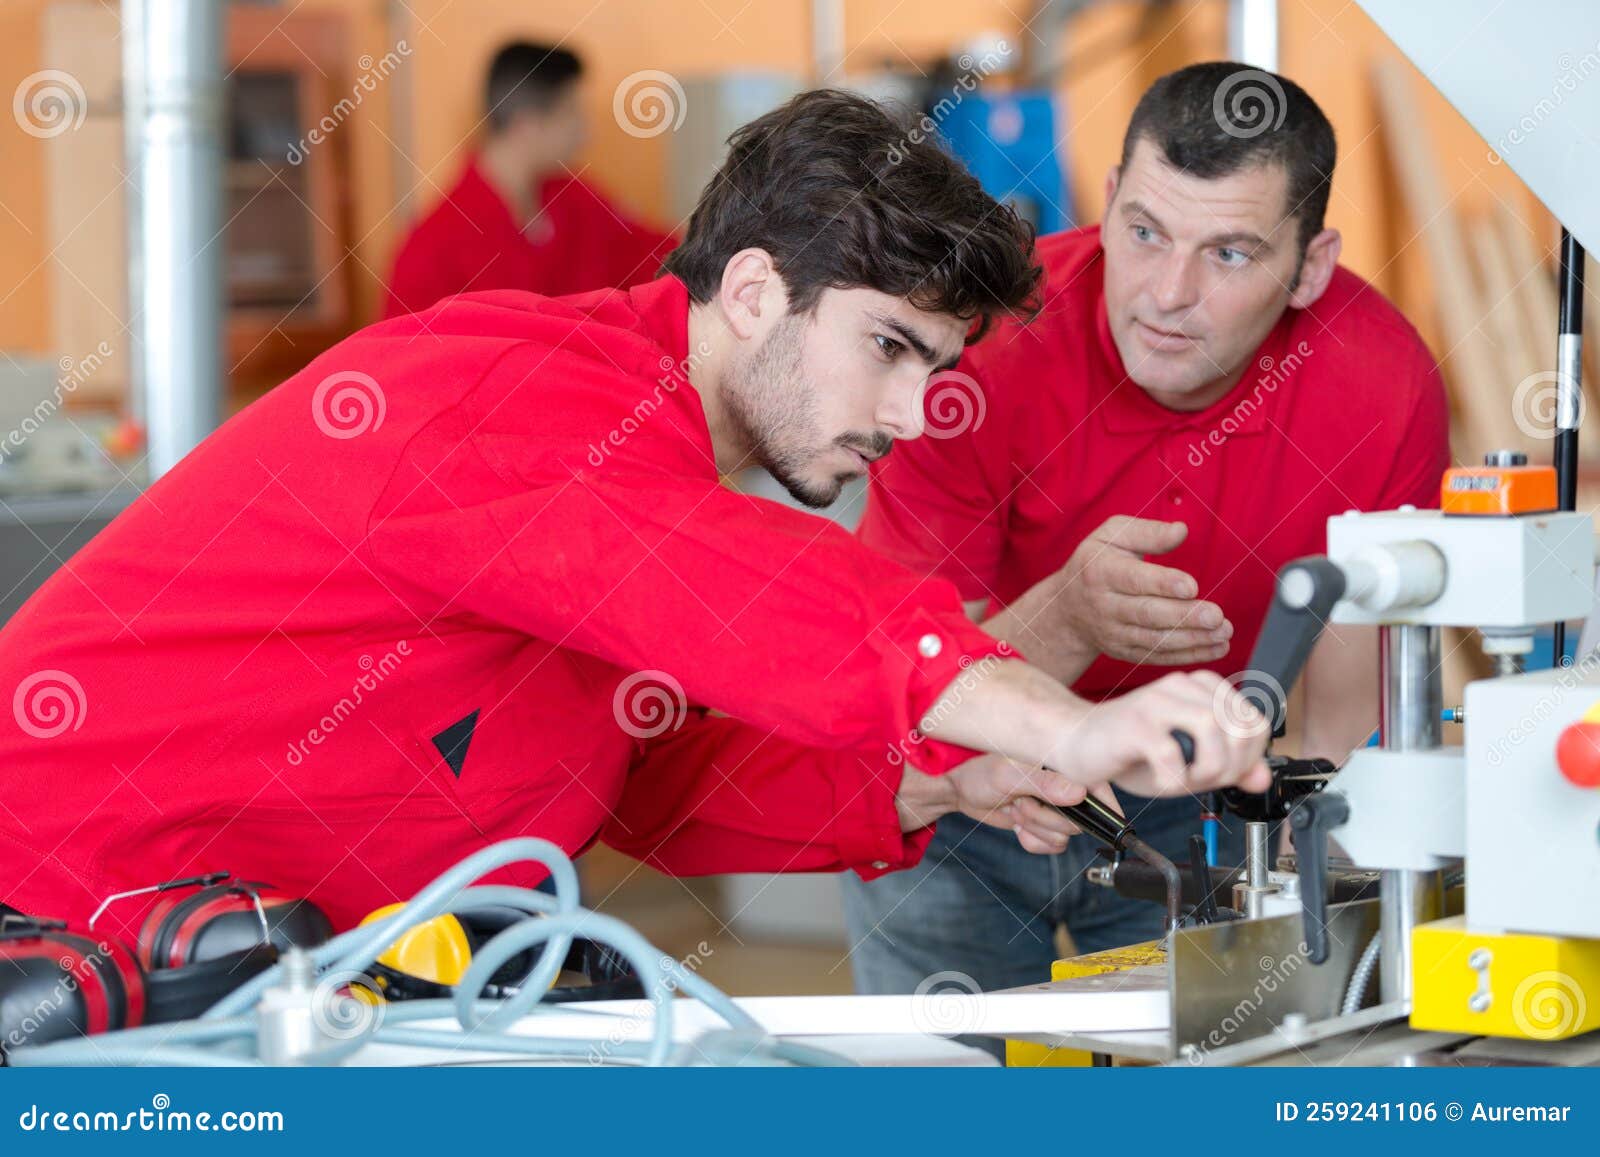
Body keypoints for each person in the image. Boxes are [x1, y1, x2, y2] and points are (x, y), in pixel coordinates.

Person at [0, 90, 1270, 940]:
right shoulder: (521, 394)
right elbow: (721, 582)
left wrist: (936, 782)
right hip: (57, 932)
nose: (912, 410)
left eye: (935, 367)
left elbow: (646, 778)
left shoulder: (644, 459)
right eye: (888, 345)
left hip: (230, 955)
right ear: (759, 290)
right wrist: (1070, 719)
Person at [843, 63, 1450, 1004]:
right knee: (940, 1089)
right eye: (1146, 232)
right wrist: (1071, 616)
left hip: (1207, 793)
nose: (1168, 293)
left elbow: (1336, 724)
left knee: (1196, 1082)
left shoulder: (1381, 387)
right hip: (959, 792)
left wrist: (1299, 913)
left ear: (1311, 266)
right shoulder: (983, 342)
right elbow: (903, 683)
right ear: (1112, 197)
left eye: (1232, 254)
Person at [382, 42, 676, 318]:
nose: (586, 133)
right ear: (526, 124)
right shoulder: (434, 246)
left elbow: (664, 254)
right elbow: (400, 358)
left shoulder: (579, 199)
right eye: (572, 113)